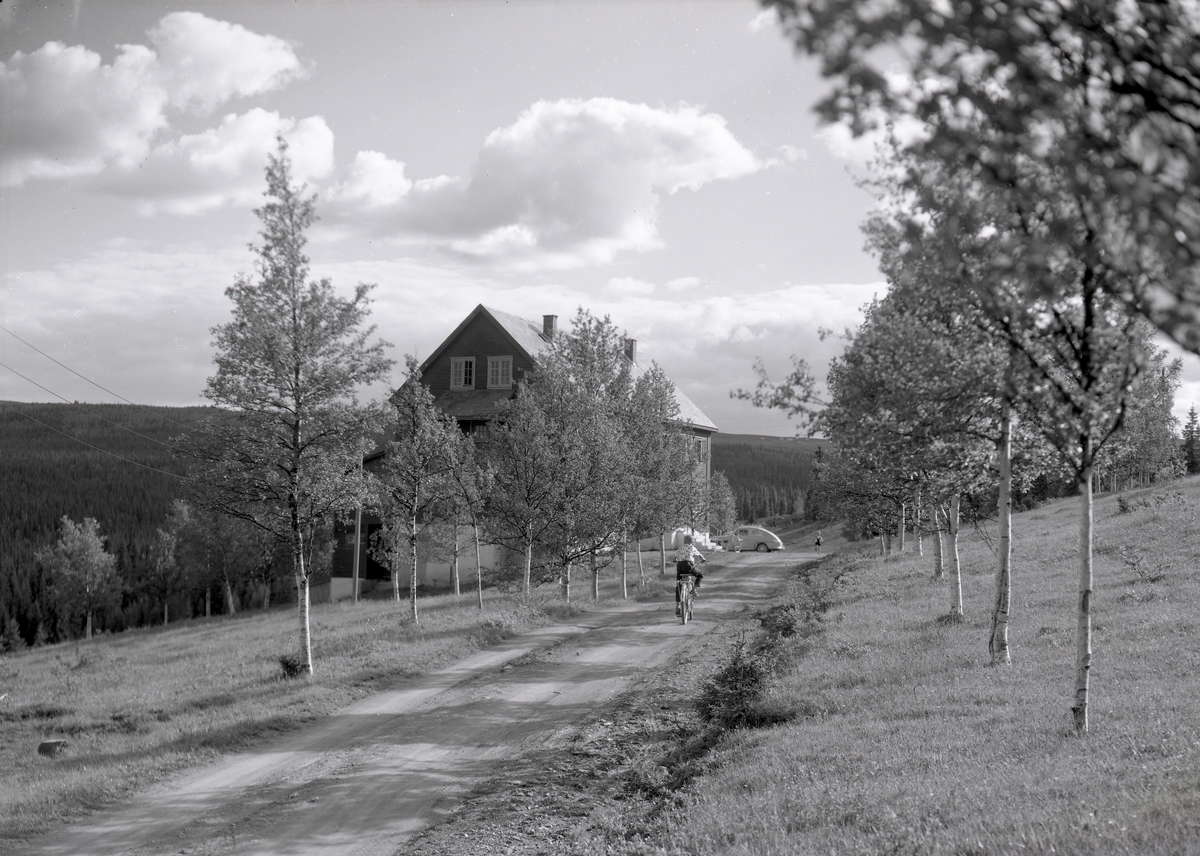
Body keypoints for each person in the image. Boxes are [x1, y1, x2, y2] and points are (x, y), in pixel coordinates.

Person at [673, 534, 707, 615]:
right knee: (700, 574)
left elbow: (675, 558)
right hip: (689, 565)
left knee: (679, 584)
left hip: (680, 566)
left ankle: (677, 606)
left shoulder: (680, 548)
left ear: (684, 541)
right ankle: (694, 590)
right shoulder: (692, 547)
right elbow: (700, 556)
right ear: (692, 541)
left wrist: (675, 560)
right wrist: (703, 559)